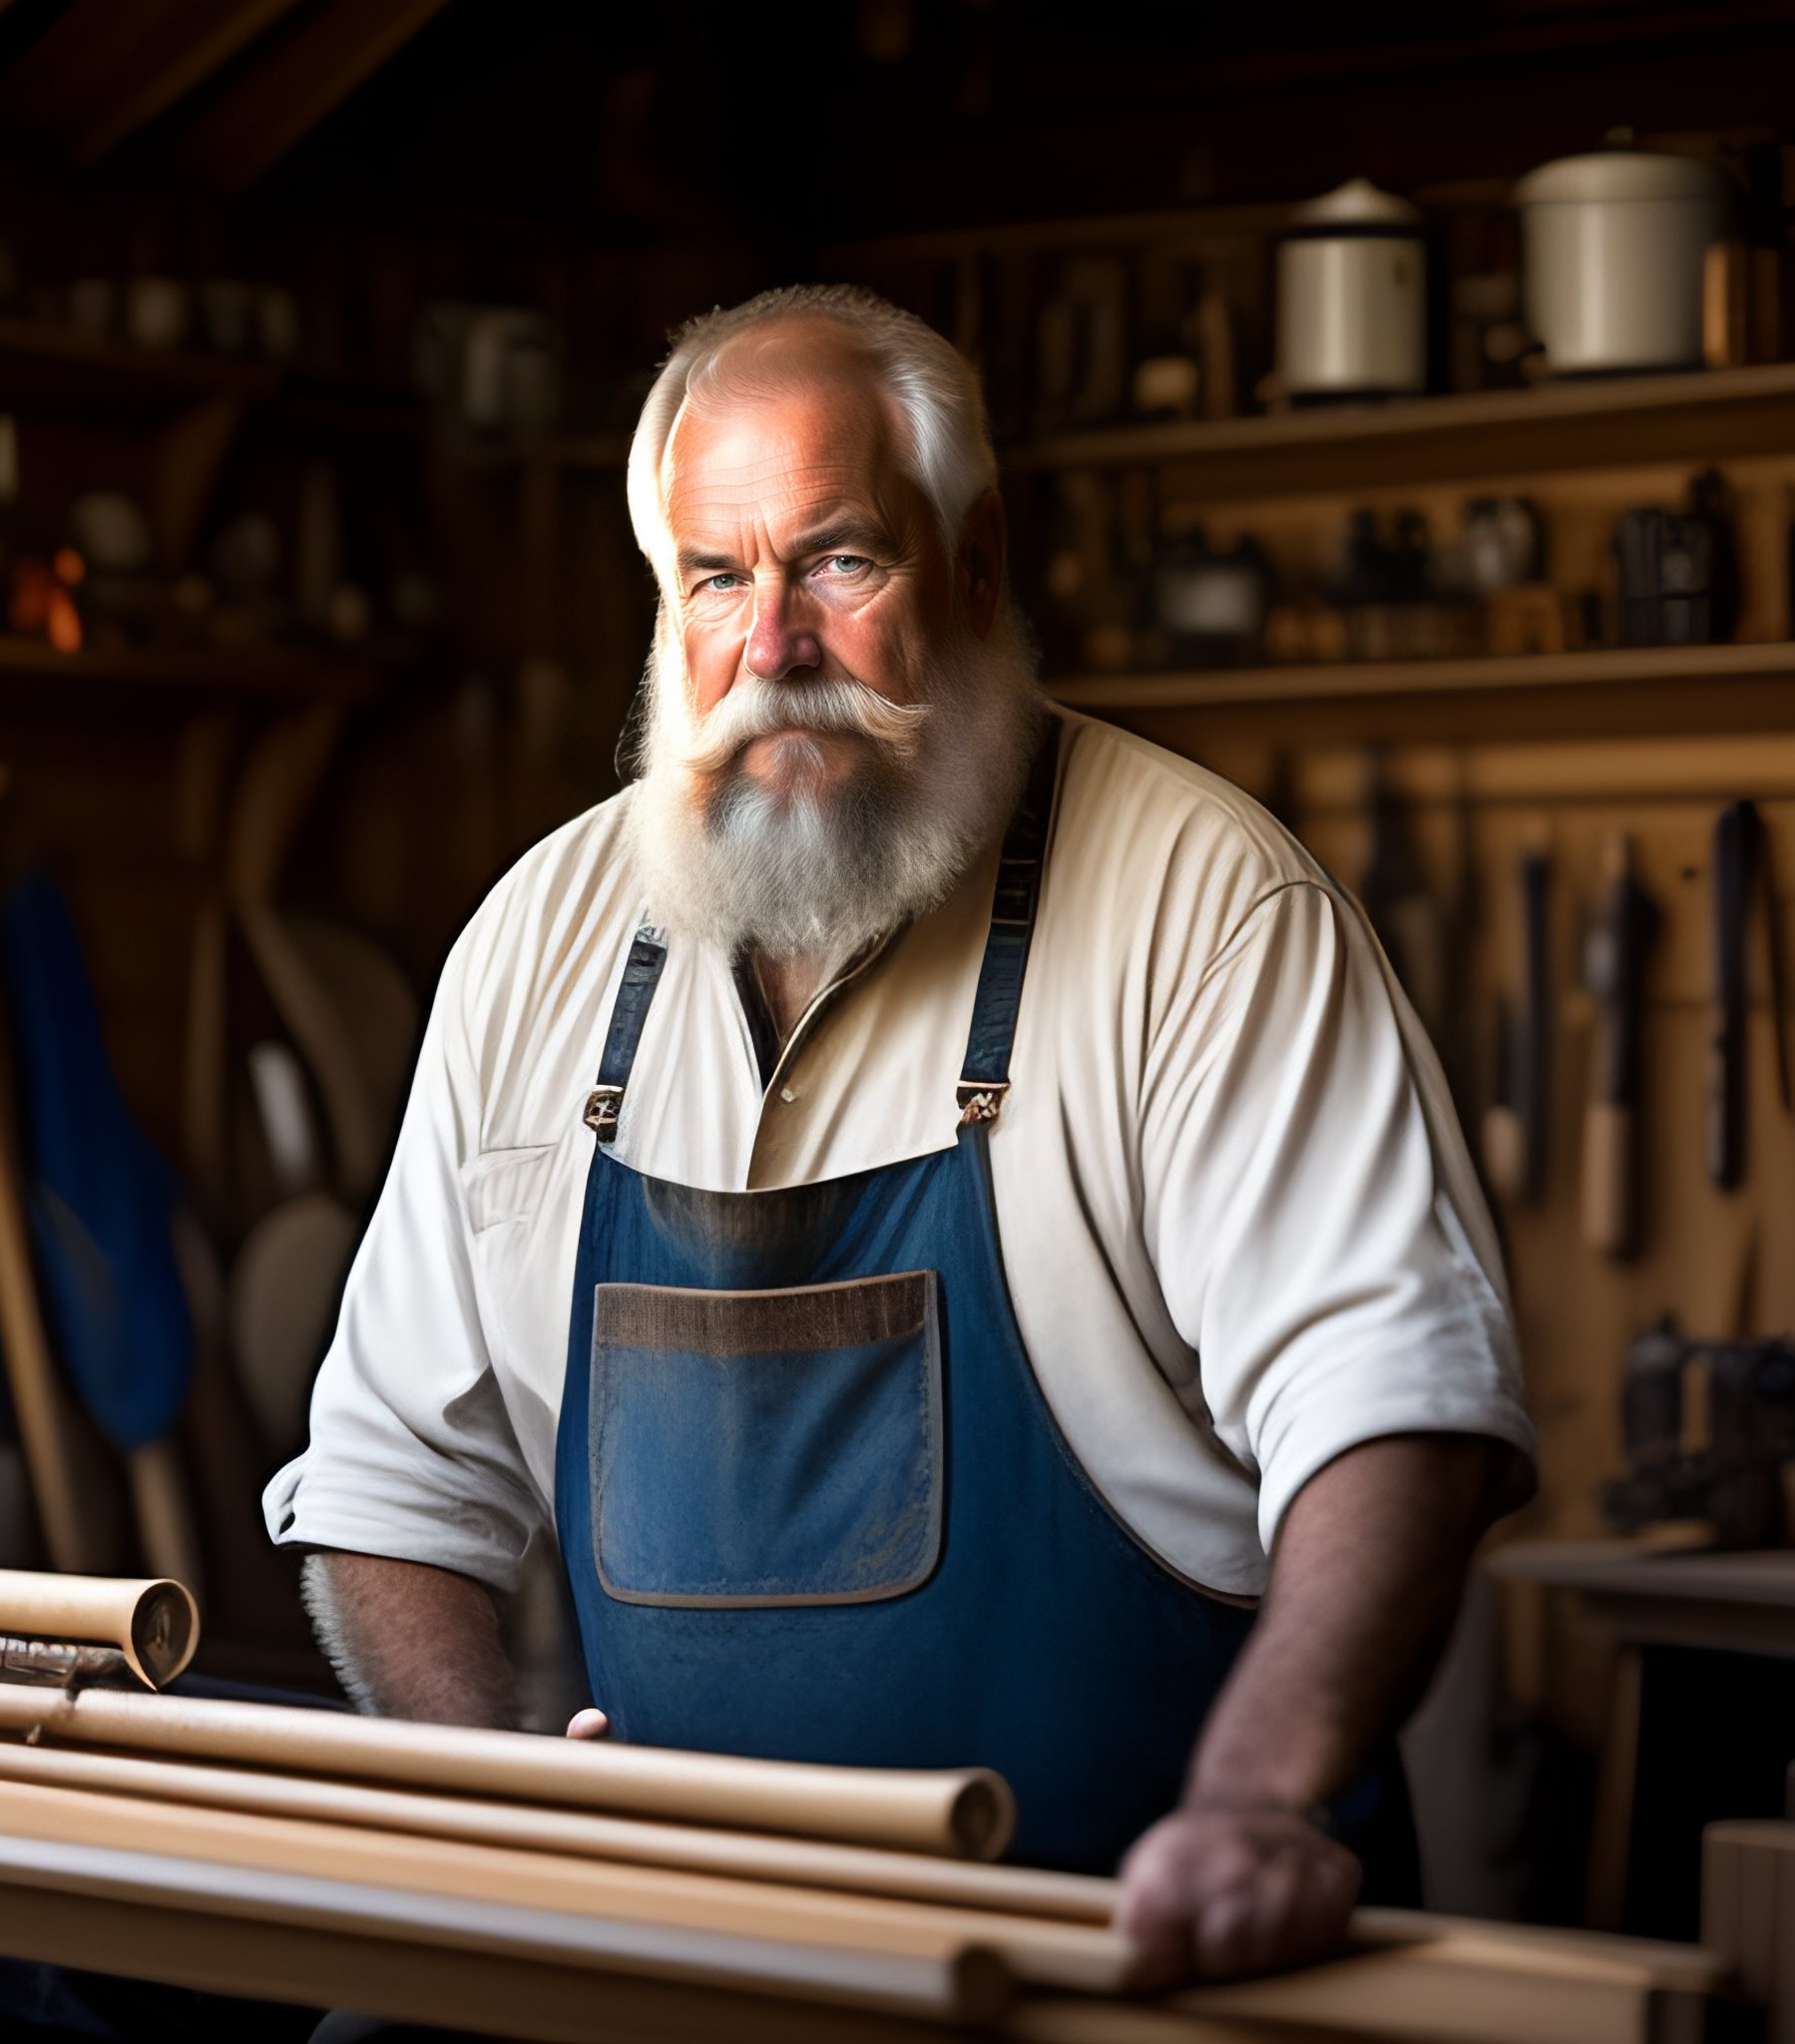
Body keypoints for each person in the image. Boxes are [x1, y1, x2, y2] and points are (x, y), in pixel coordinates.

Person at [265, 283, 1535, 1987]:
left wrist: (1252, 1807)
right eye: (720, 579)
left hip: (1122, 1971)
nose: (774, 645)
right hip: (685, 1982)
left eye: (842, 562)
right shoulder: (536, 949)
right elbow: (393, 1485)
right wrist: (493, 1790)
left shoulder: (1205, 911)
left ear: (978, 566)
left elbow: (1391, 1408)